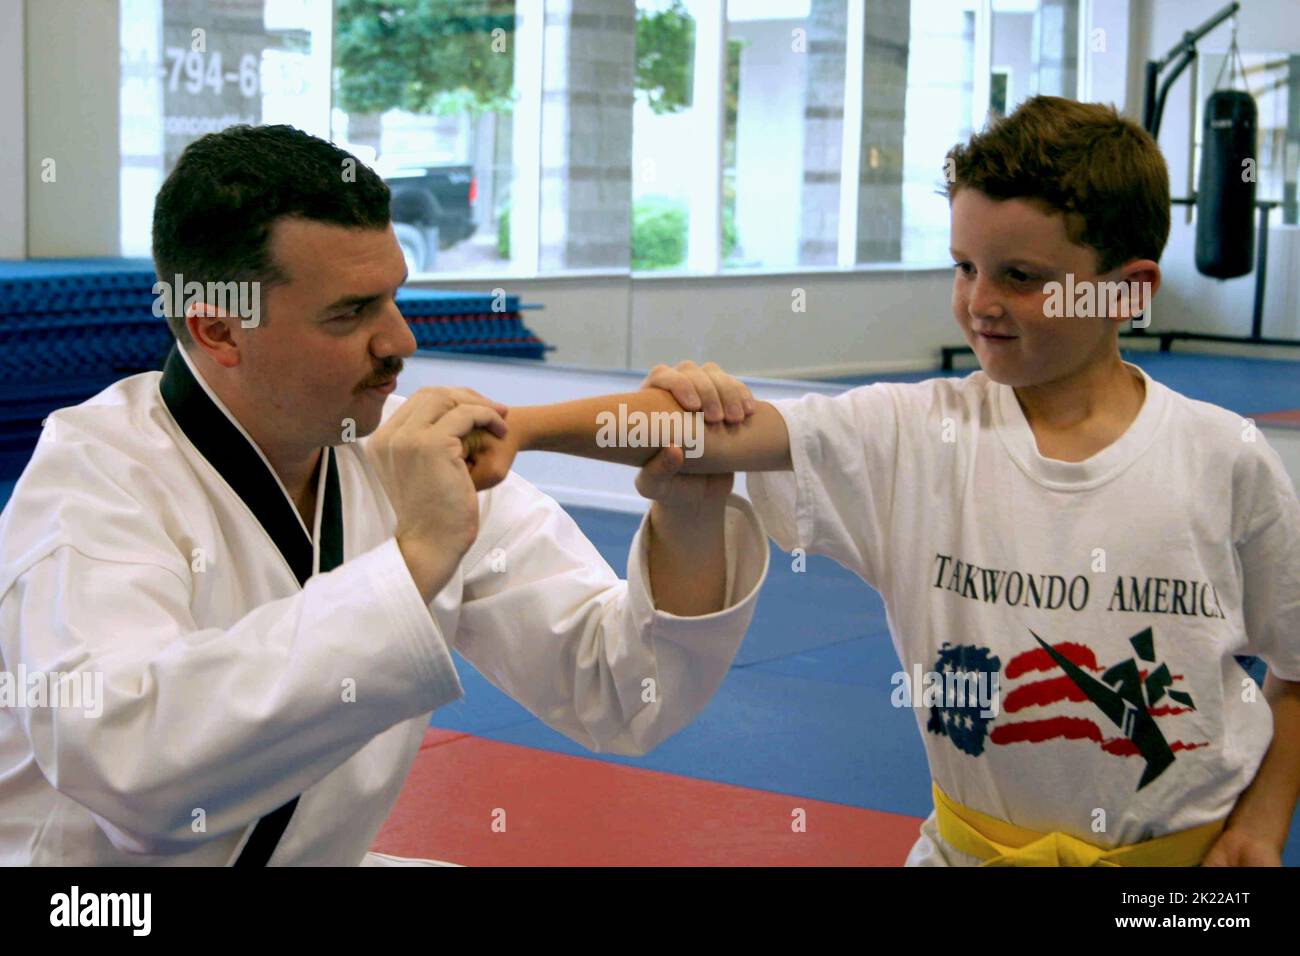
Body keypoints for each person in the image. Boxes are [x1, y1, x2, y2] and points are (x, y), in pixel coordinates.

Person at [476, 97, 1300, 866]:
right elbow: (706, 434)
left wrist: (1263, 826)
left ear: (1129, 290)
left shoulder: (1221, 460)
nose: (980, 301)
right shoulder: (914, 435)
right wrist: (525, 428)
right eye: (963, 266)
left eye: (1021, 277)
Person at [0, 125, 769, 866]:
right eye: (351, 312)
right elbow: (130, 770)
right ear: (220, 331)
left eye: (394, 297)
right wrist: (417, 558)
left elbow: (620, 689)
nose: (400, 340)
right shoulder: (98, 481)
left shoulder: (401, 453)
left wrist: (689, 510)